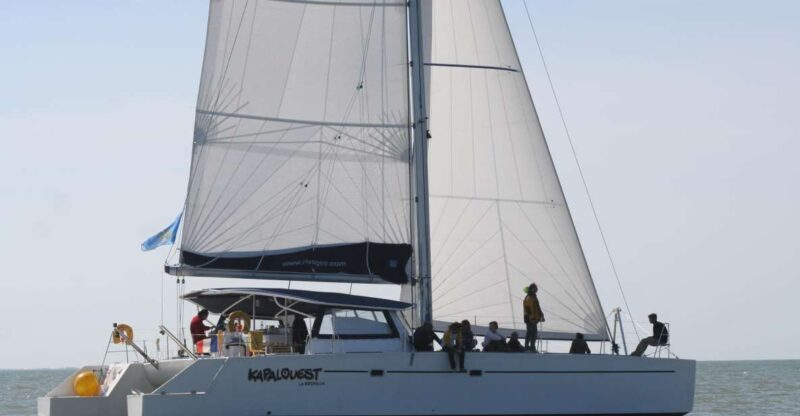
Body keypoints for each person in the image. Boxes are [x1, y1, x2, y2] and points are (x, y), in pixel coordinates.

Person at [523, 283, 545, 352]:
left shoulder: (533, 297)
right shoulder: (529, 297)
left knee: (533, 333)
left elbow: (537, 307)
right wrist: (532, 318)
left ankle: (532, 347)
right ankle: (527, 347)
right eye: (536, 288)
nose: (537, 290)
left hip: (533, 319)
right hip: (530, 319)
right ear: (532, 289)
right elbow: (528, 308)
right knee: (530, 333)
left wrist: (541, 314)